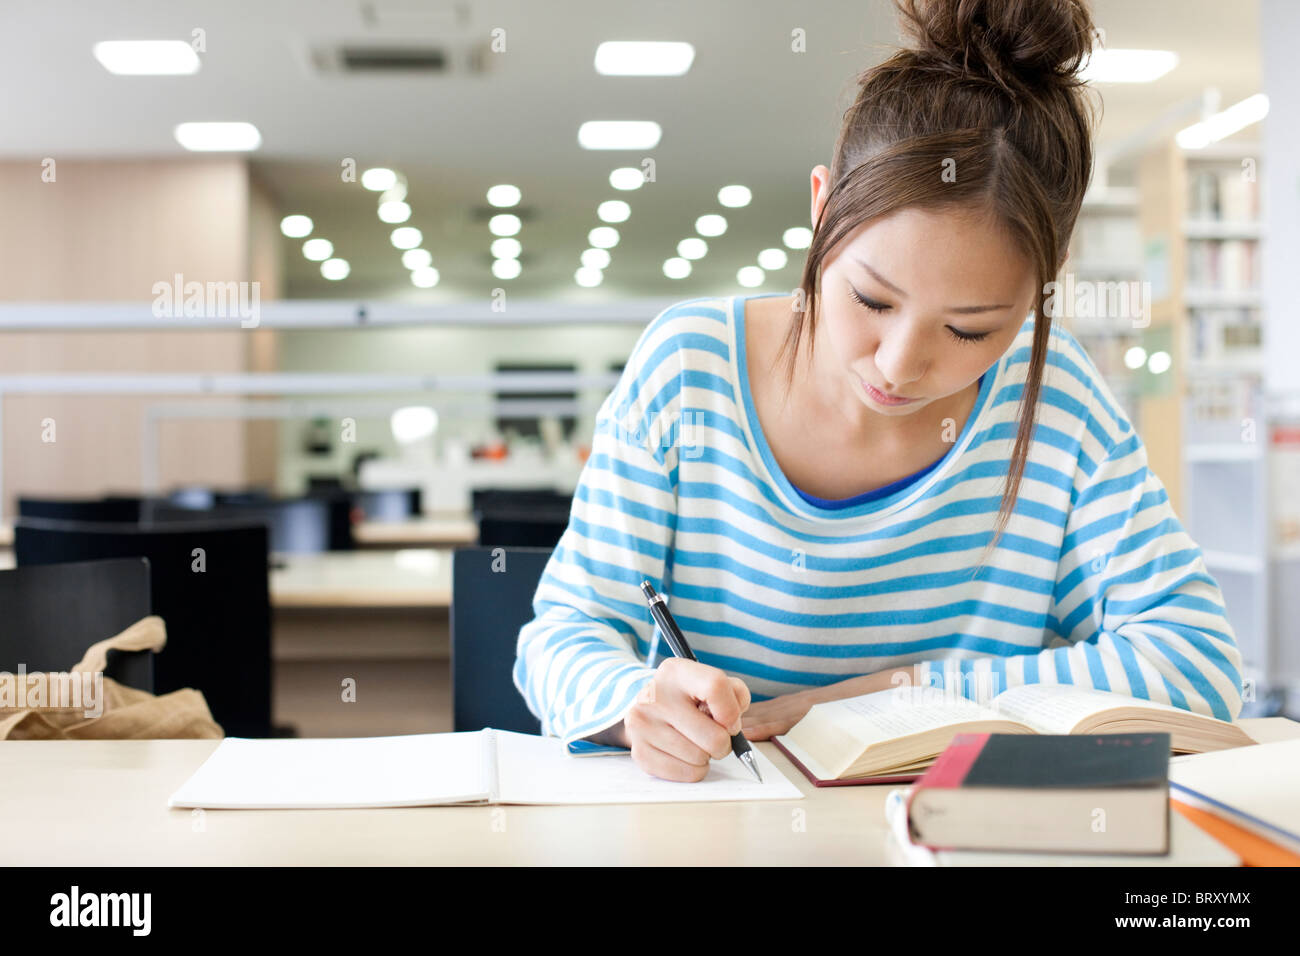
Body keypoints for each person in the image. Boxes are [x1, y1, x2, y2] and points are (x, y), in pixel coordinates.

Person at [514, 0, 1244, 782]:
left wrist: (891, 695)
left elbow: (1200, 662)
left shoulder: (1056, 397)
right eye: (871, 300)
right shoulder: (690, 370)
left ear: (1043, 287)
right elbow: (562, 633)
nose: (898, 366)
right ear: (822, 207)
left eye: (970, 331)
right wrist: (635, 703)